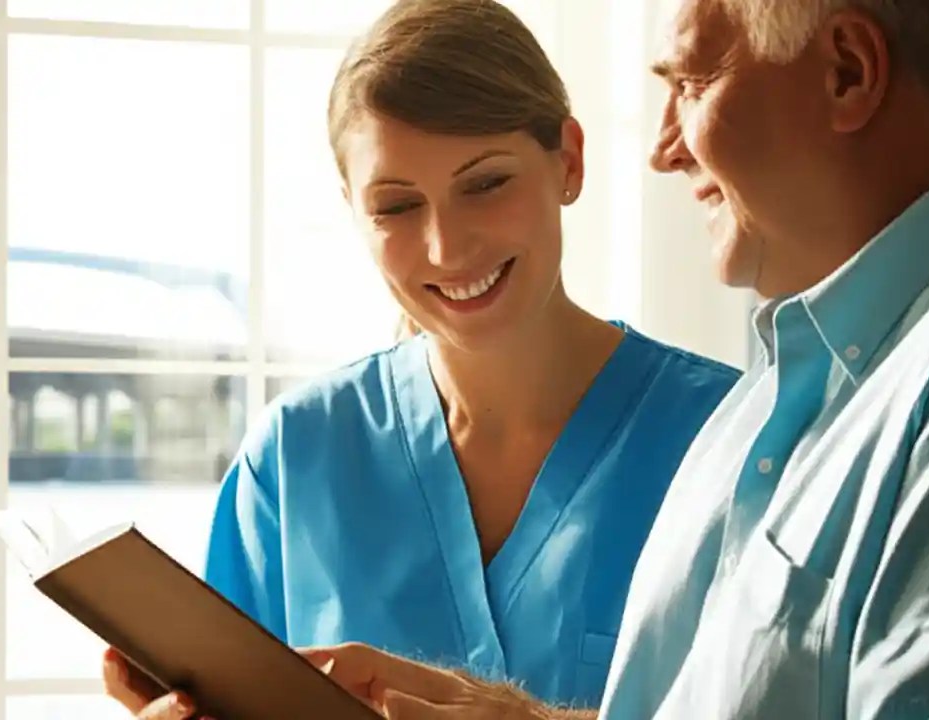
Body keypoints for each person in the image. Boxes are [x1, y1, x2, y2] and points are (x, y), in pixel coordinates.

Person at [273, 0, 929, 717]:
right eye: (395, 206)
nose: (665, 147)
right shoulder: (779, 397)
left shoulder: (893, 396)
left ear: (848, 72)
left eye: (691, 84)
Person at [101, 0, 741, 717]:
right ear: (353, 209)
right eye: (396, 206)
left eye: (486, 183)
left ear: (569, 160)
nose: (446, 247)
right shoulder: (294, 460)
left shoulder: (734, 438)